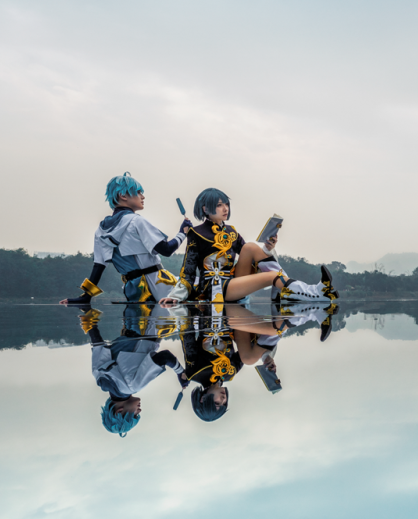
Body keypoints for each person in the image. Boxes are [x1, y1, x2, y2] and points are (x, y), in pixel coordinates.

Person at [178, 187, 336, 306]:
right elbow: (188, 272)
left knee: (251, 247)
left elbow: (254, 259)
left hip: (234, 282)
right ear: (205, 209)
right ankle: (314, 292)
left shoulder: (231, 231)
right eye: (219, 205)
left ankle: (291, 291)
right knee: (273, 276)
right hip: (215, 288)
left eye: (226, 204)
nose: (225, 208)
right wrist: (175, 297)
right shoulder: (196, 233)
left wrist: (267, 248)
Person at [61, 173, 190, 306]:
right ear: (123, 195)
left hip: (132, 288)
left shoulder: (101, 230)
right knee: (198, 286)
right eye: (138, 192)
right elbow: (166, 250)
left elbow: (99, 266)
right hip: (160, 284)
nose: (143, 196)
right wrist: (183, 233)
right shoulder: (137, 221)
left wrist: (86, 296)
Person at [83, 304, 185, 436]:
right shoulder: (99, 377)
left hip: (152, 322)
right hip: (130, 319)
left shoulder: (131, 386)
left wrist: (181, 373)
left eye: (135, 415)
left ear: (119, 411)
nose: (139, 411)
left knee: (170, 295)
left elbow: (164, 356)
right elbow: (97, 341)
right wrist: (87, 312)